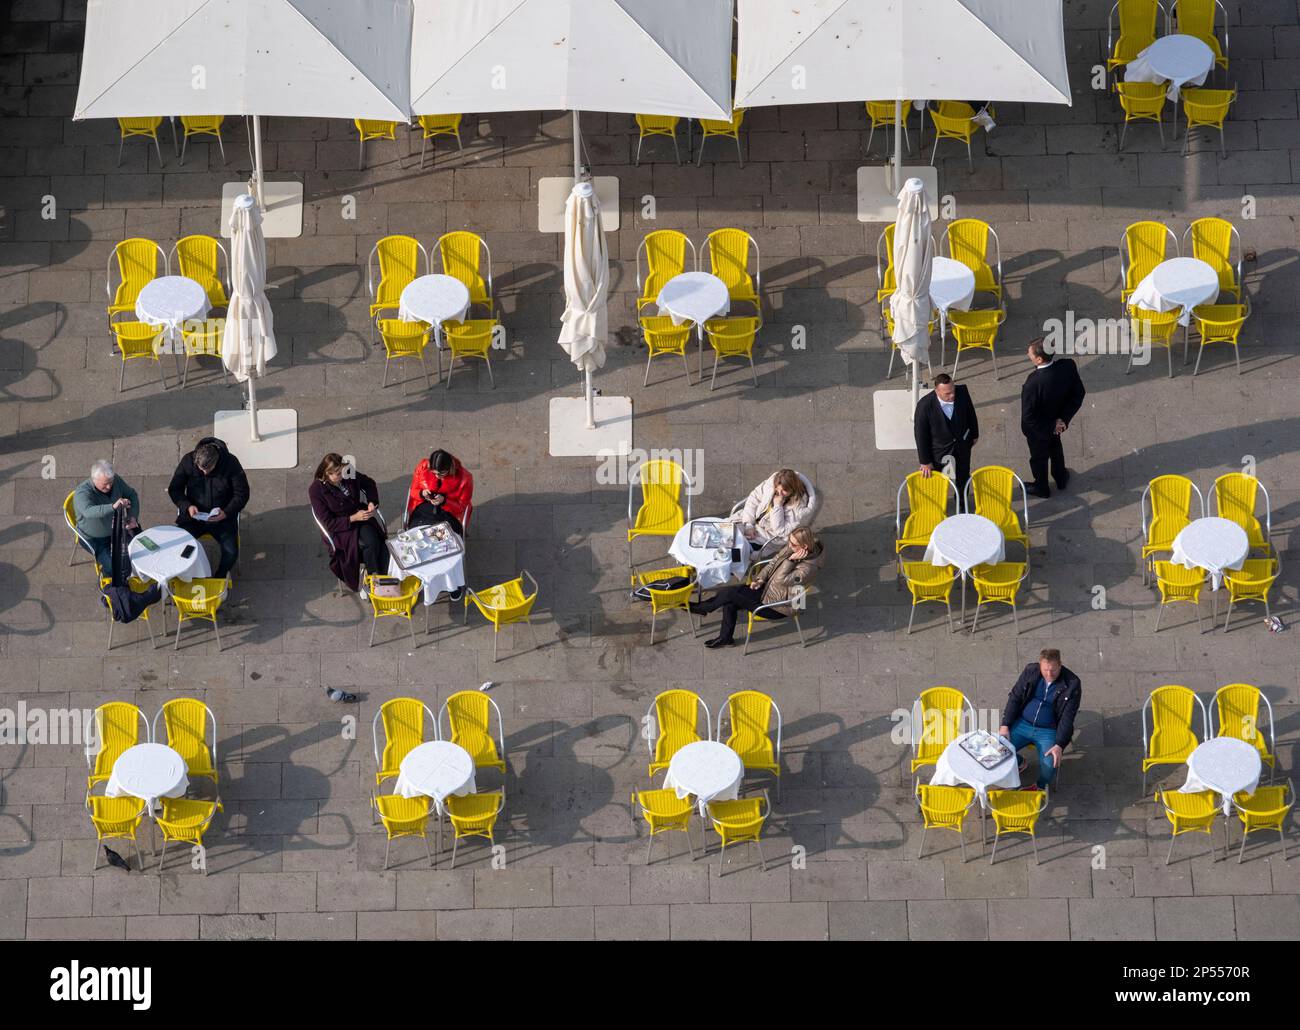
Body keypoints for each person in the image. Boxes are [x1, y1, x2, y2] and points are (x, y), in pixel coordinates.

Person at [689, 526, 824, 648]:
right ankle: (725, 638)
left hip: (777, 606)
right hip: (766, 589)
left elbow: (781, 579)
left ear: (805, 547)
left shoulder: (807, 569)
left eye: (793, 544)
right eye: (789, 541)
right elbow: (773, 562)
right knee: (729, 601)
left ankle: (704, 608)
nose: (789, 546)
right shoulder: (794, 548)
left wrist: (790, 561)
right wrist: (760, 579)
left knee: (729, 594)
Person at [998, 648, 1082, 792]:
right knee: (998, 751)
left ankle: (1040, 786)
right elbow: (1015, 697)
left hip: (1048, 730)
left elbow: (1067, 718)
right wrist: (1005, 725)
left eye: (1053, 670)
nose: (1049, 674)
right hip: (1022, 723)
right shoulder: (1031, 671)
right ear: (1039, 665)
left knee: (1050, 764)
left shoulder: (1072, 683)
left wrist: (1059, 744)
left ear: (1060, 665)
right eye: (1045, 670)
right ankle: (1019, 763)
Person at [168, 436, 250, 577]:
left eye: (209, 469)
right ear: (196, 460)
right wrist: (187, 506)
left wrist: (226, 513)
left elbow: (242, 494)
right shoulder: (188, 461)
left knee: (231, 553)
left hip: (222, 519)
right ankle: (185, 573)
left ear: (216, 461)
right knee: (177, 547)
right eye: (201, 469)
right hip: (193, 517)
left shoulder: (231, 464)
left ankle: (219, 576)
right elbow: (175, 489)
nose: (205, 473)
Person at [308, 453, 387, 595]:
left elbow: (369, 483)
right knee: (372, 544)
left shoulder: (348, 473)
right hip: (341, 529)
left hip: (359, 516)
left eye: (342, 471)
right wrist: (353, 518)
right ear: (327, 474)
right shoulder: (316, 490)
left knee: (374, 541)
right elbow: (328, 523)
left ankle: (374, 577)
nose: (342, 476)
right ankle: (375, 578)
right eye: (337, 474)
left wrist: (371, 502)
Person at [1019, 337, 1086, 498]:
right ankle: (1061, 478)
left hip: (1038, 430)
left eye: (1030, 354)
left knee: (1039, 457)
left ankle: (1041, 487)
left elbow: (1028, 416)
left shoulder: (1032, 384)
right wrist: (1062, 420)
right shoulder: (1068, 366)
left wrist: (1051, 425)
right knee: (1056, 448)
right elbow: (1078, 394)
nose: (1028, 354)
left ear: (1039, 359)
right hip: (1058, 423)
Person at [914, 373, 978, 504]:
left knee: (963, 475)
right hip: (939, 449)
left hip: (962, 444)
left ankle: (962, 502)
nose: (952, 395)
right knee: (939, 478)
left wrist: (974, 434)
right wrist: (925, 461)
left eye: (953, 391)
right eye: (947, 394)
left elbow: (970, 413)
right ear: (937, 391)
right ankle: (938, 503)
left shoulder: (962, 392)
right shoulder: (924, 406)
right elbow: (920, 434)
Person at [73, 460, 141, 574]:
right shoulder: (82, 493)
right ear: (94, 480)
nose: (109, 486)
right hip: (96, 539)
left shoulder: (116, 481)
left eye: (110, 481)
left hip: (119, 528)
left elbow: (131, 494)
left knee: (144, 552)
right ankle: (108, 581)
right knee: (115, 569)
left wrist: (132, 516)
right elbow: (88, 512)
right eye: (105, 484)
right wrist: (113, 507)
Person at [737, 469, 820, 551]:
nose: (779, 493)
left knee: (741, 551)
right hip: (747, 518)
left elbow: (781, 531)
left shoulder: (798, 507)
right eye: (777, 488)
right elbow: (754, 499)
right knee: (728, 533)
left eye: (784, 491)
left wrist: (777, 506)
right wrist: (748, 524)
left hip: (767, 536)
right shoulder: (771, 483)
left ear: (793, 489)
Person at [406, 449, 473, 537]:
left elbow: (462, 507)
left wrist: (445, 501)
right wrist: (422, 494)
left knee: (442, 537)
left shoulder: (465, 478)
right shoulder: (423, 467)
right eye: (433, 473)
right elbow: (413, 491)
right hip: (423, 509)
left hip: (449, 514)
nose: (437, 476)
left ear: (449, 468)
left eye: (441, 474)